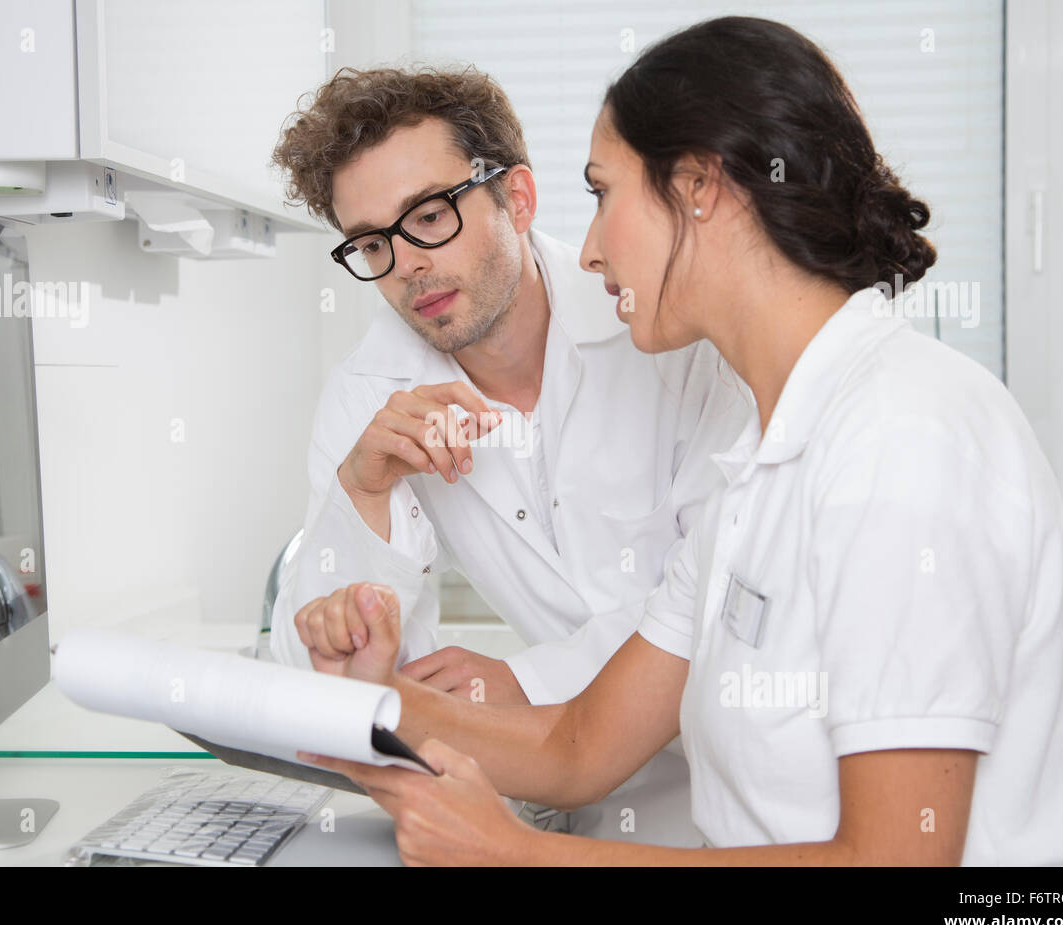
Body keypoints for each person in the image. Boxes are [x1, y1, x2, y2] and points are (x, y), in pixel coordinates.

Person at [294, 17, 1063, 865]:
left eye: (603, 193)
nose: (585, 250)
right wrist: (369, 702)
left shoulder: (905, 437)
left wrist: (521, 855)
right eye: (370, 244)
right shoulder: (757, 463)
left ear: (701, 188)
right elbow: (580, 747)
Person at [266, 66, 748, 705]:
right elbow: (319, 676)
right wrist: (362, 491)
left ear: (516, 199)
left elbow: (727, 591)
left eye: (431, 215)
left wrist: (527, 680)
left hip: (724, 761)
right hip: (566, 777)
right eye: (372, 244)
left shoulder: (666, 331)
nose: (406, 264)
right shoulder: (367, 394)